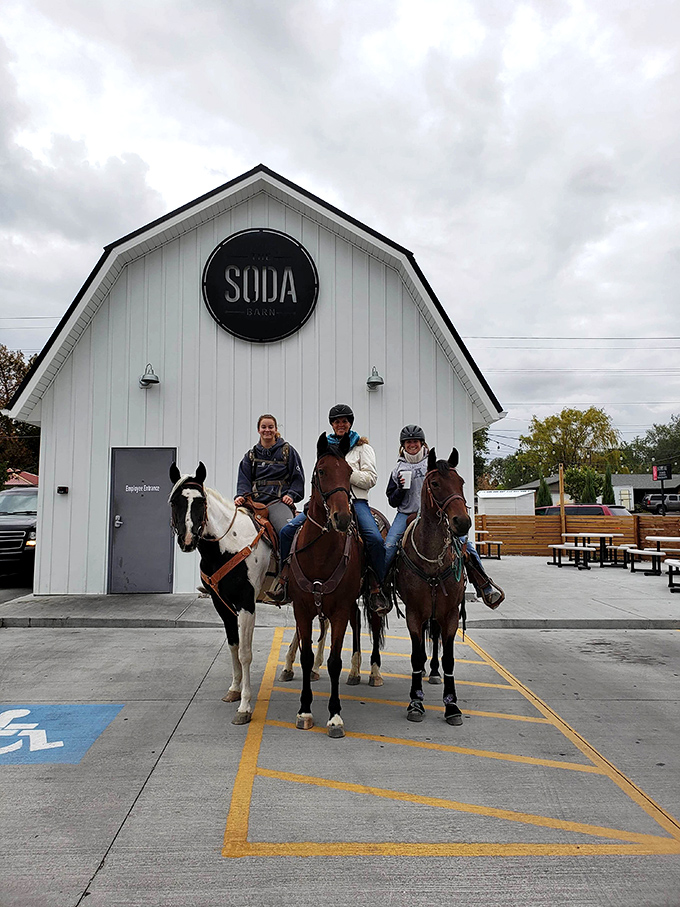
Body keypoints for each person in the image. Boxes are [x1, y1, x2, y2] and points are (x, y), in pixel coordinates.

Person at [271, 404, 387, 609]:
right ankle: (284, 581)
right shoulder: (325, 447)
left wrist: (346, 473)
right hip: (326, 504)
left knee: (375, 539)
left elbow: (371, 479)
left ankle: (376, 587)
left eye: (344, 421)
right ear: (332, 425)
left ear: (350, 423)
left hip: (355, 502)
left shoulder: (362, 448)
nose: (341, 424)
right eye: (337, 421)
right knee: (288, 531)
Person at [384, 424, 503, 609]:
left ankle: (485, 586)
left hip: (433, 515)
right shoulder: (397, 469)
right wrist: (399, 489)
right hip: (406, 513)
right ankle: (383, 589)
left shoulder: (433, 465)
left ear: (422, 443)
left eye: (415, 441)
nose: (412, 445)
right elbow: (392, 500)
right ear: (403, 445)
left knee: (465, 544)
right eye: (408, 442)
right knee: (390, 546)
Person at [234, 414, 304, 538]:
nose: (267, 430)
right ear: (258, 430)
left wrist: (291, 495)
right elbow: (244, 480)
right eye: (264, 427)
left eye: (271, 427)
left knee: (286, 531)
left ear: (276, 429)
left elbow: (297, 478)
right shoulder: (250, 456)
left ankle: (286, 558)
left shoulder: (287, 451)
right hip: (254, 504)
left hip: (278, 502)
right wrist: (241, 496)